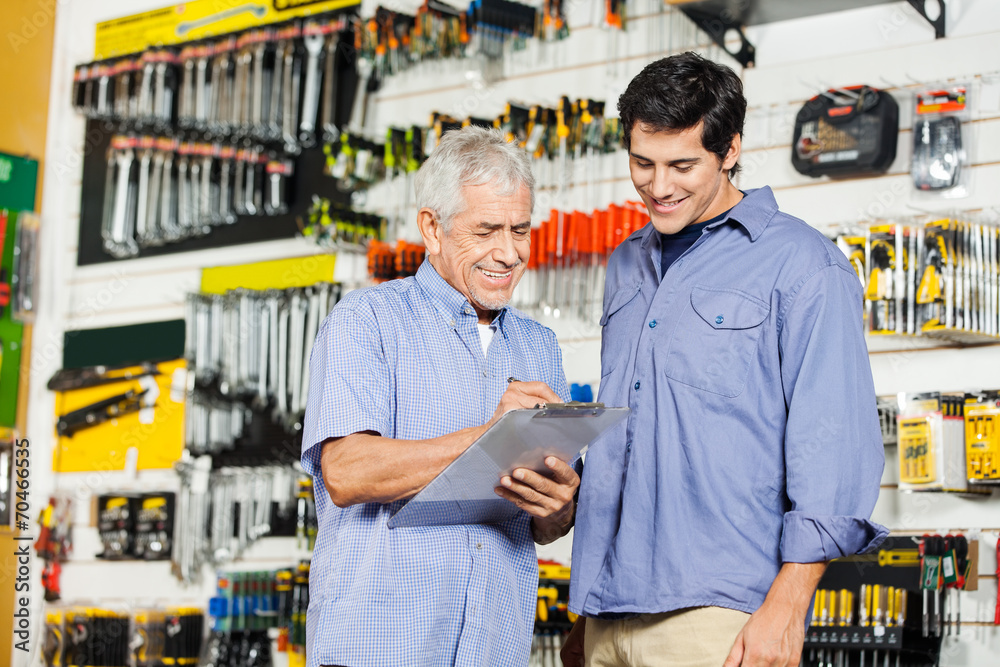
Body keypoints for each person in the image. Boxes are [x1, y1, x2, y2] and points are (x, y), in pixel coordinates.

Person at [561, 52, 888, 667]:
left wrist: (788, 608)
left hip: (719, 616)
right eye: (642, 163)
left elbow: (834, 448)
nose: (658, 187)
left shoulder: (803, 266)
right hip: (606, 611)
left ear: (729, 149)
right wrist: (589, 613)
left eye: (682, 165)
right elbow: (628, 438)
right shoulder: (625, 262)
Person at [301, 125, 580, 667]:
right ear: (432, 228)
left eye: (520, 230)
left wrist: (561, 505)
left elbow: (546, 526)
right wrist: (491, 438)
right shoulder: (366, 322)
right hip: (379, 649)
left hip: (493, 648)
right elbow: (347, 472)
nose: (508, 253)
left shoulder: (539, 346)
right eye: (486, 230)